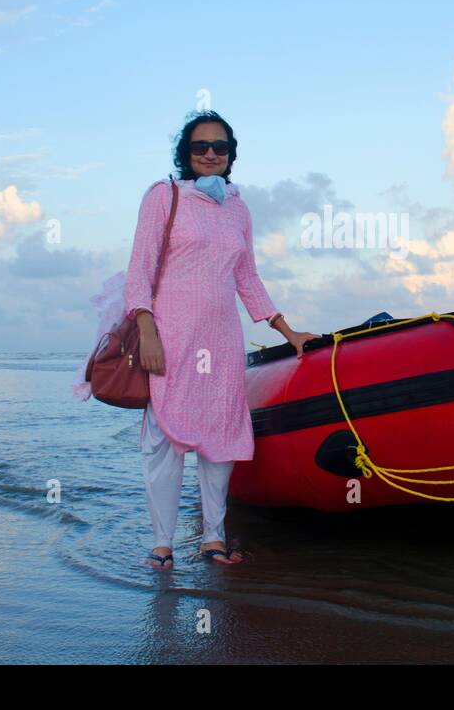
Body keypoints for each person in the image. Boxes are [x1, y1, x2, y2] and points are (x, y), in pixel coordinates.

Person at [125, 110, 319, 570]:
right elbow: (139, 269)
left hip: (223, 340)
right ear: (185, 154)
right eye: (200, 146)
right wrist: (147, 332)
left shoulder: (238, 207)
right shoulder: (164, 196)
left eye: (220, 147)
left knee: (222, 438)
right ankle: (162, 544)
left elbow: (246, 276)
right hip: (171, 338)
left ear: (231, 155)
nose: (211, 154)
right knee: (165, 441)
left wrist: (287, 332)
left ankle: (213, 538)